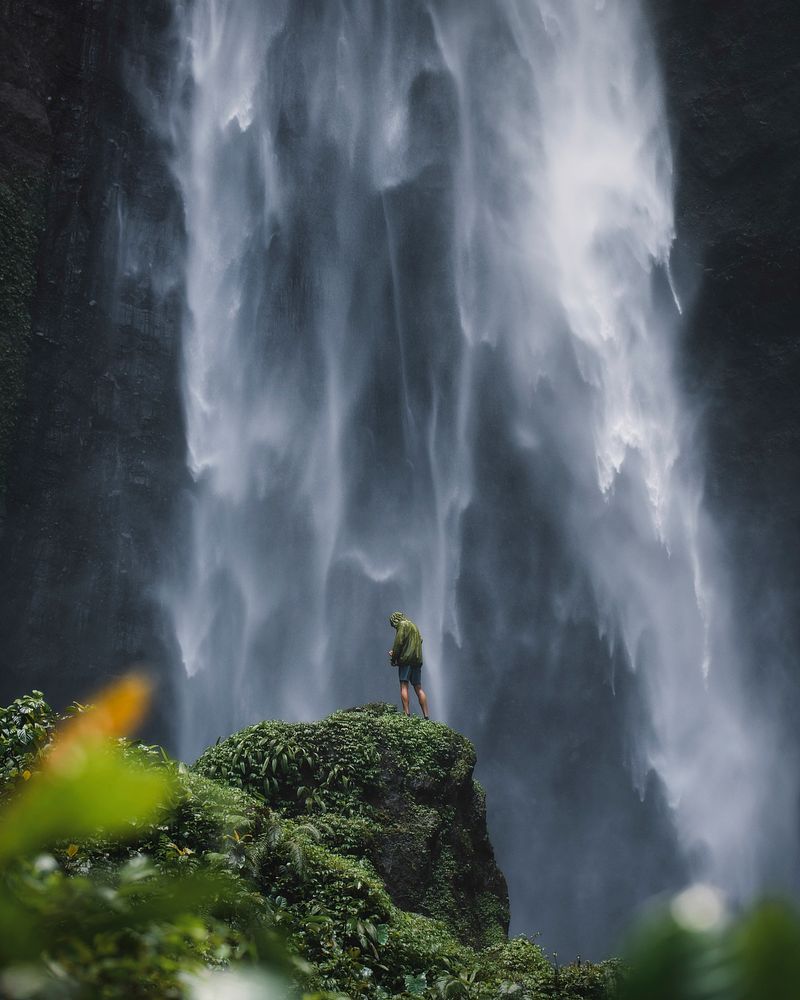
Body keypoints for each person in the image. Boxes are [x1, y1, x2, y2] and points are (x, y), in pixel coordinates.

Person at [388, 611, 430, 719]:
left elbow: (398, 643)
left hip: (406, 660)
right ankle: (426, 715)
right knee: (418, 687)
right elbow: (420, 640)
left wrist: (394, 657)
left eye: (393, 625)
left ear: (395, 620)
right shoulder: (413, 625)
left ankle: (406, 714)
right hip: (417, 660)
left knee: (404, 685)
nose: (394, 627)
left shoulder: (402, 625)